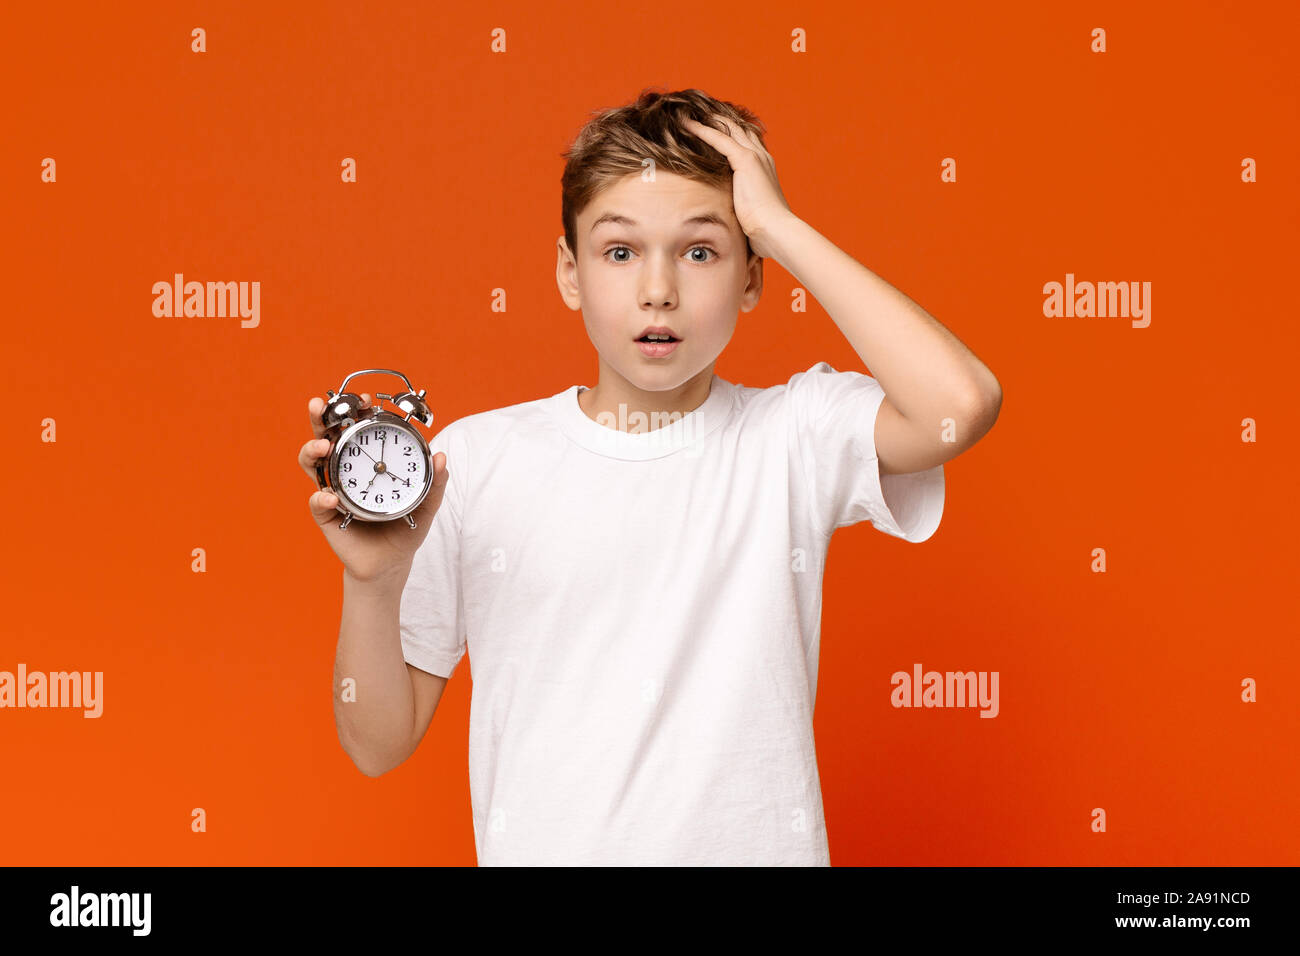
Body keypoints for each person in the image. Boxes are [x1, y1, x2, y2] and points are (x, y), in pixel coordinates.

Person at [296, 88, 1002, 865]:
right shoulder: (478, 460)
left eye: (701, 251)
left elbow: (959, 404)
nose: (658, 288)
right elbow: (377, 744)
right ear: (571, 272)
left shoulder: (792, 434)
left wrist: (782, 226)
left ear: (753, 278)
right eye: (620, 250)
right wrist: (371, 584)